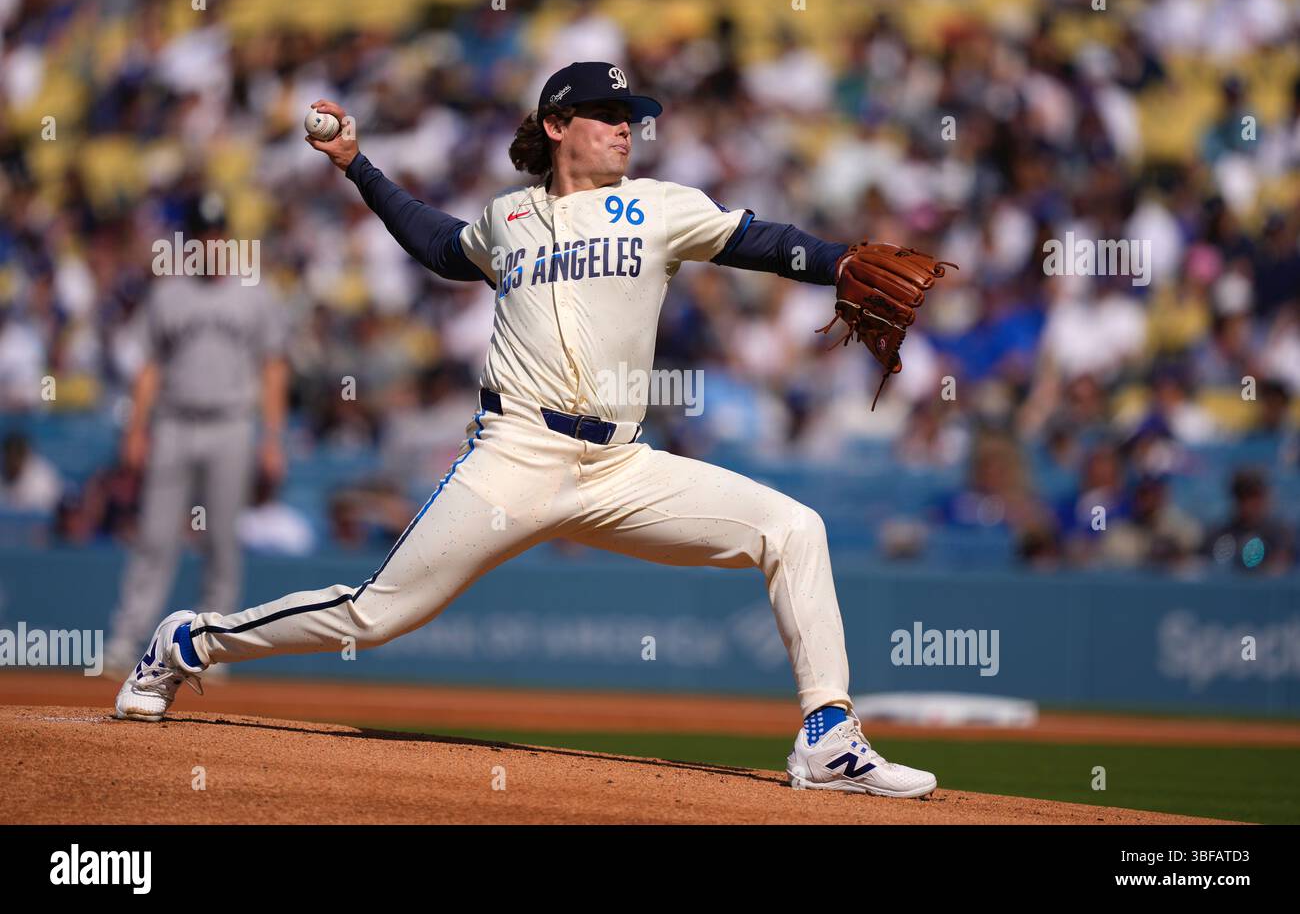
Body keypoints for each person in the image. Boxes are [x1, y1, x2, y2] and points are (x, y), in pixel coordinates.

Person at [113, 62, 937, 799]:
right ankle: (187, 641)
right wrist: (357, 166)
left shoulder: (658, 208)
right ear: (555, 125)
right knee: (375, 617)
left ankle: (828, 737)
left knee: (795, 528)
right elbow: (437, 245)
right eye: (608, 113)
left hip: (621, 466)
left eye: (632, 115)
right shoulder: (508, 219)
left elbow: (760, 240)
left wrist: (836, 263)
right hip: (515, 455)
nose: (626, 126)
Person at [102, 195, 289, 675]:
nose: (210, 241)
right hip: (174, 423)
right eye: (202, 234)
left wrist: (271, 438)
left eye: (217, 233)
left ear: (226, 237)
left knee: (222, 541)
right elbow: (148, 367)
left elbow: (273, 368)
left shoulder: (254, 292)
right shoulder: (169, 294)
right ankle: (126, 640)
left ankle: (211, 648)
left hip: (230, 424)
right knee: (154, 537)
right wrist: (135, 430)